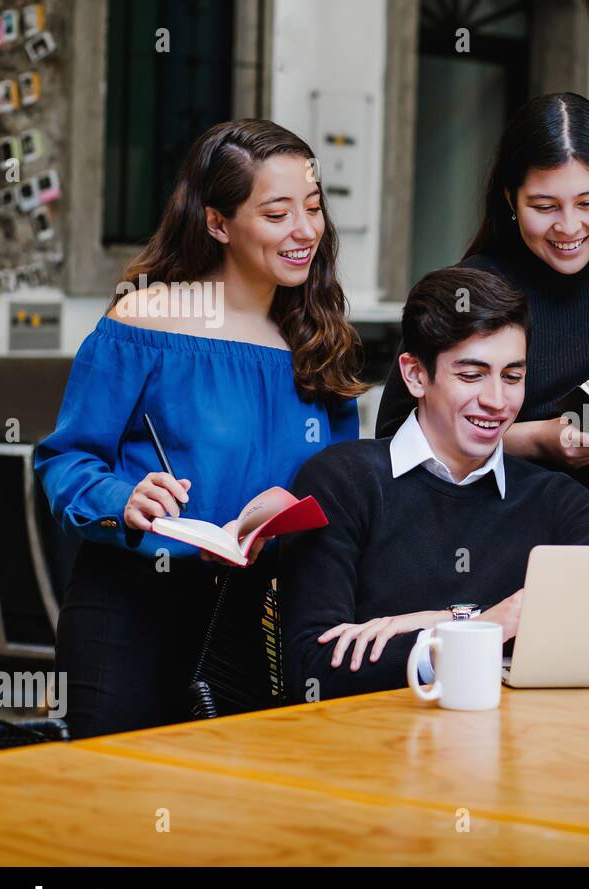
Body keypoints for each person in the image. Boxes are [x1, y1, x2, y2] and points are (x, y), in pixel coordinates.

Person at [35, 119, 365, 737]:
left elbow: (342, 485)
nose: (305, 231)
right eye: (276, 214)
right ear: (218, 223)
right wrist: (122, 497)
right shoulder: (144, 322)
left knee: (235, 816)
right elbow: (66, 462)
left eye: (314, 208)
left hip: (261, 614)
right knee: (117, 804)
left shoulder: (318, 338)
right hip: (133, 607)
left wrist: (296, 503)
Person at [375, 92, 589, 525]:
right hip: (469, 538)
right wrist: (533, 439)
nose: (568, 227)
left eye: (588, 203)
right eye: (544, 207)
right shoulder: (468, 290)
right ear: (510, 197)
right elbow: (394, 438)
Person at [279, 266, 589, 701]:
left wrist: (432, 626)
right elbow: (313, 669)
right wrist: (476, 627)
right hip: (366, 754)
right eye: (471, 375)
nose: (496, 400)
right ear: (415, 375)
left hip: (518, 753)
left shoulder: (563, 504)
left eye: (512, 376)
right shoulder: (341, 483)